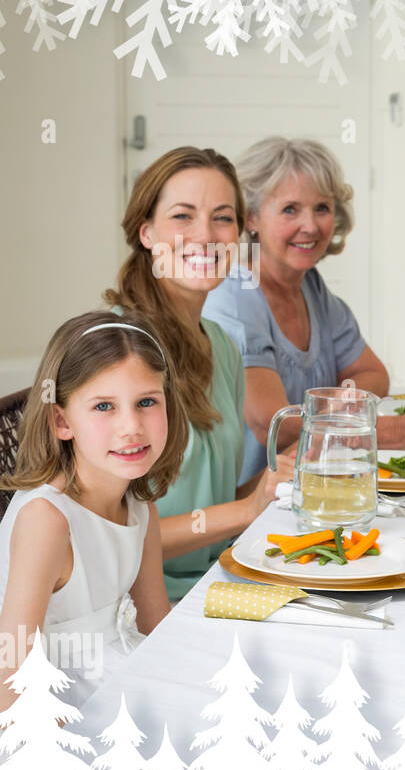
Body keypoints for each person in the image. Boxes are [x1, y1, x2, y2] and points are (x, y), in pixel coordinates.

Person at [106, 146, 288, 600]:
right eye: (183, 216)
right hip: (143, 604)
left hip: (222, 579)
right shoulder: (115, 352)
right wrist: (247, 510)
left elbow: (217, 498)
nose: (205, 235)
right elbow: (105, 540)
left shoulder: (221, 345)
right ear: (146, 232)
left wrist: (278, 483)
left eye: (222, 218)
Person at [202, 137, 405, 486]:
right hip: (251, 507)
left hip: (310, 485)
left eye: (322, 208)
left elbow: (373, 375)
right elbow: (274, 425)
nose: (310, 226)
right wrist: (400, 429)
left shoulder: (311, 287)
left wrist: (327, 410)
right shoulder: (234, 294)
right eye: (290, 209)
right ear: (252, 218)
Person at [0, 312, 186, 708]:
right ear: (61, 421)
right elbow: (9, 679)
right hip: (50, 706)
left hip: (121, 672)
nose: (131, 426)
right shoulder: (46, 522)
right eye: (104, 406)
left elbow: (155, 623)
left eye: (147, 402)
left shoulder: (139, 507)